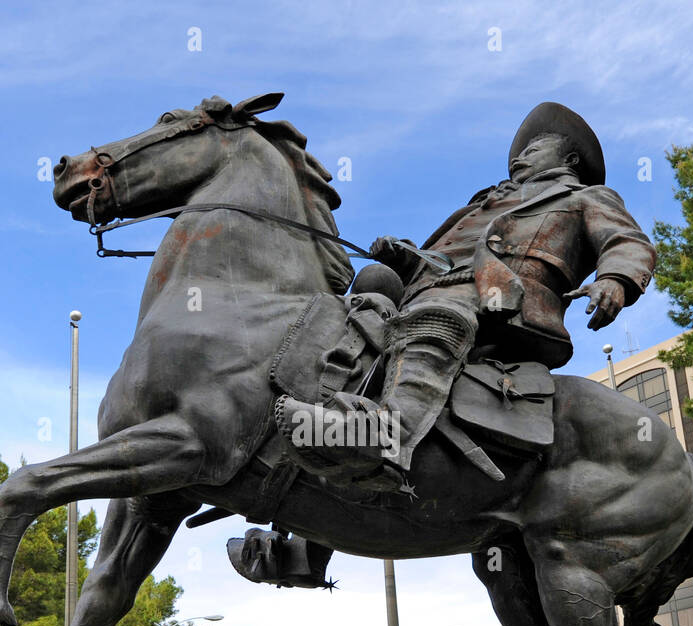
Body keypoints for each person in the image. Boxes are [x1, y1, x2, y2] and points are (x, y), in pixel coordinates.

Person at [276, 102, 657, 491]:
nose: (520, 157)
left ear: (570, 158)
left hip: (499, 301)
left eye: (534, 148)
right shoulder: (480, 204)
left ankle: (390, 433)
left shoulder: (585, 197)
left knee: (439, 311)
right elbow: (440, 259)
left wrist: (615, 280)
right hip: (426, 293)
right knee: (363, 297)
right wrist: (403, 257)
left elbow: (626, 241)